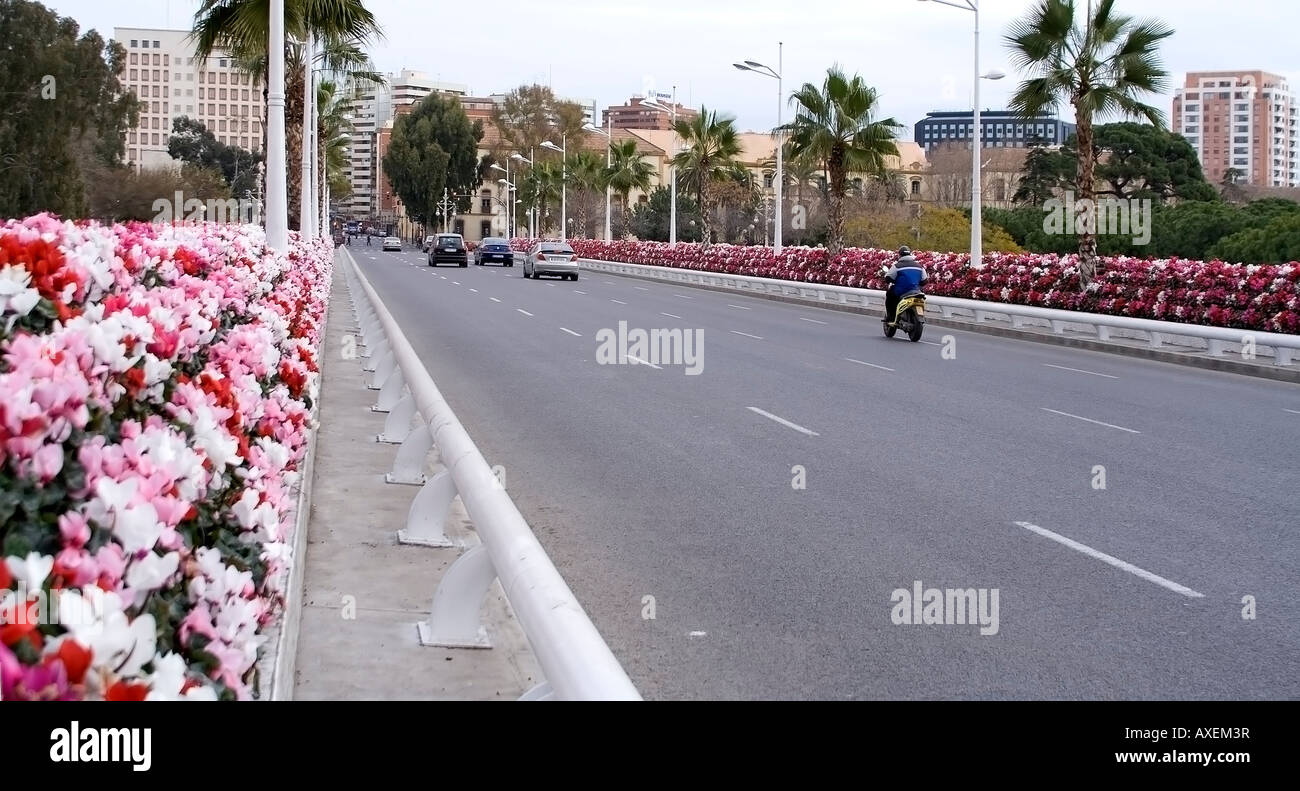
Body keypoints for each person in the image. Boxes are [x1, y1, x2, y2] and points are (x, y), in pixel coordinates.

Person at [884, 246, 927, 326]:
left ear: (899, 255)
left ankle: (890, 317)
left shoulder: (897, 266)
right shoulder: (920, 266)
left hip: (901, 292)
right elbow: (924, 281)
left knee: (889, 295)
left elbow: (888, 278)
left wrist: (894, 280)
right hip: (916, 291)